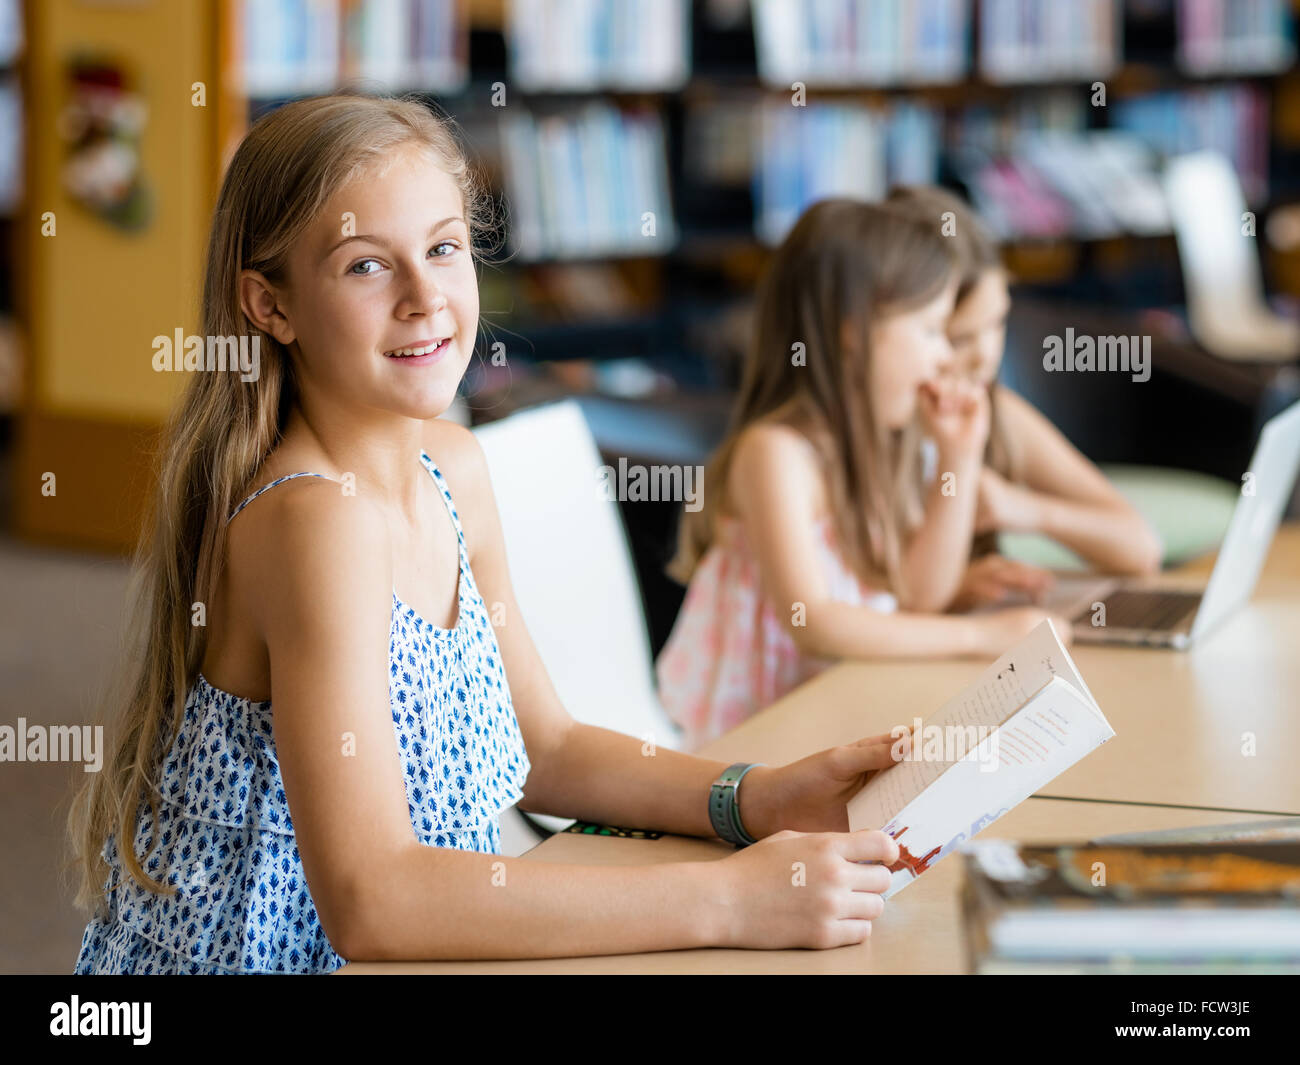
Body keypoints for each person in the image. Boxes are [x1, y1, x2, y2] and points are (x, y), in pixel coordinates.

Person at [68, 93, 909, 973]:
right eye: (365, 267)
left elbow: (544, 746)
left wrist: (755, 797)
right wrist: (734, 899)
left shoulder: (453, 467)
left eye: (442, 248)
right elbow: (372, 901)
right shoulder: (313, 522)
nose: (424, 297)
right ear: (270, 307)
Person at [657, 199, 1069, 752]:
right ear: (852, 333)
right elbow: (815, 621)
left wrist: (959, 458)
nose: (944, 356)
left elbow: (922, 595)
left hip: (846, 710)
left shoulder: (878, 444)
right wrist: (981, 636)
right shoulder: (776, 453)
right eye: (929, 331)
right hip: (755, 742)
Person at [885, 185, 1162, 612]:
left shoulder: (996, 414)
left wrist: (1023, 509)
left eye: (997, 322)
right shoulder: (878, 427)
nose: (985, 356)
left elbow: (1140, 548)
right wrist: (956, 589)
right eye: (960, 338)